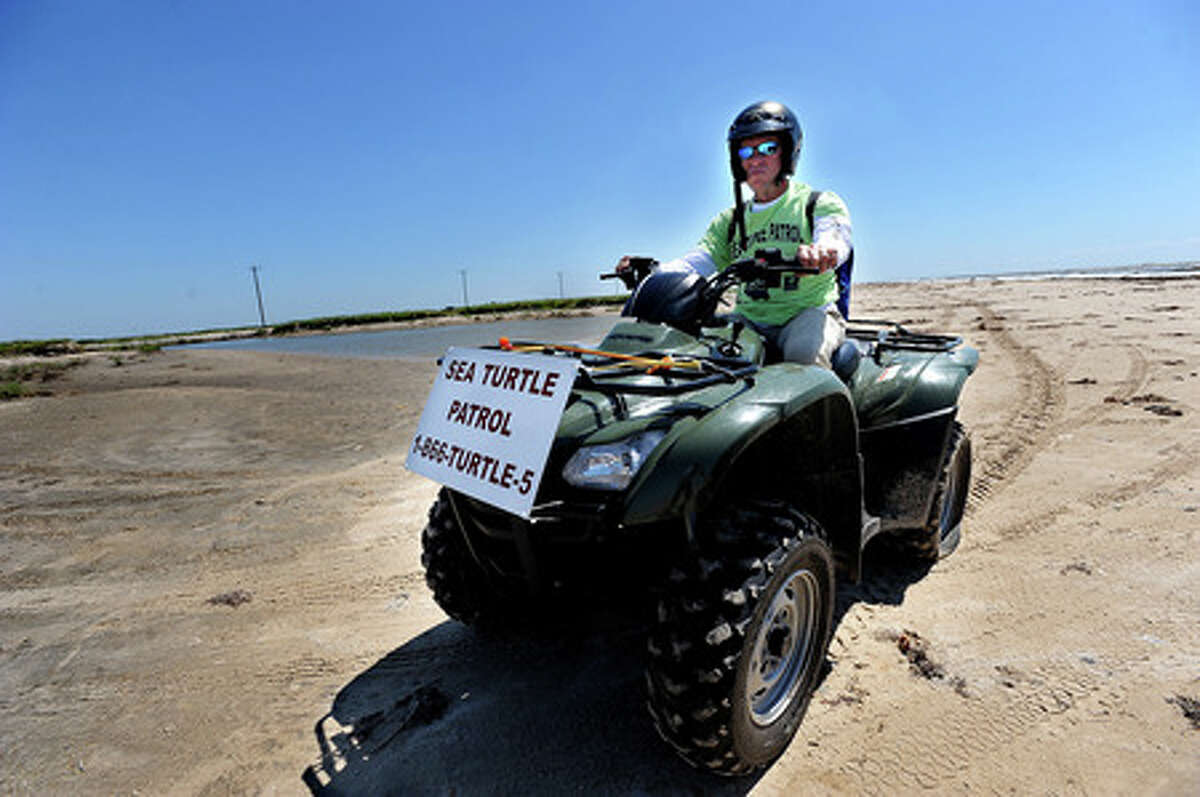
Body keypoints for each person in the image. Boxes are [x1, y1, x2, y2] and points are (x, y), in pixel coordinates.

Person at [618, 100, 853, 367]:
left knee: (803, 358)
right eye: (745, 152)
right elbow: (695, 264)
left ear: (788, 152)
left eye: (767, 148)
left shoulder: (817, 203)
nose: (754, 159)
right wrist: (651, 271)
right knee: (699, 360)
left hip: (808, 314)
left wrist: (823, 252)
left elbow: (836, 237)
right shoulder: (729, 221)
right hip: (749, 319)